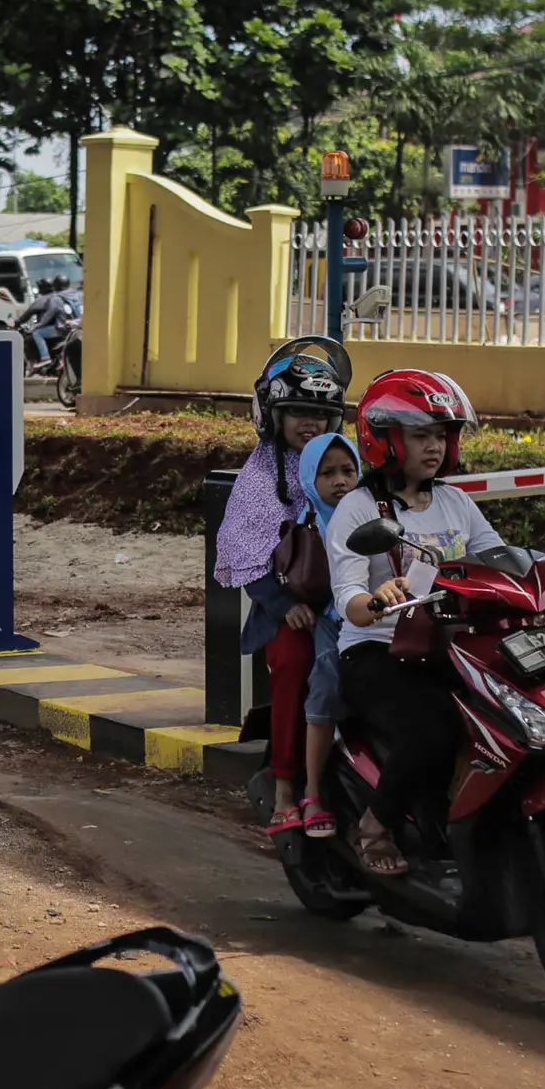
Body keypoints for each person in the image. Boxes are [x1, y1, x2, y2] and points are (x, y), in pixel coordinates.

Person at [324, 369, 496, 876]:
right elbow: (350, 598)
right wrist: (376, 598)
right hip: (377, 650)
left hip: (449, 644)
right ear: (386, 440)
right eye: (421, 435)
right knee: (432, 730)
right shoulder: (358, 509)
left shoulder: (455, 501)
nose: (435, 447)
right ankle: (375, 826)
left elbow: (499, 556)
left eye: (441, 435)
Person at [212, 350, 346, 835]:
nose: (310, 424)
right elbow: (245, 550)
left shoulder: (344, 464)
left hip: (350, 602)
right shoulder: (261, 476)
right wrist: (285, 605)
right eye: (298, 413)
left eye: (319, 413)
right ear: (273, 417)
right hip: (289, 607)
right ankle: (288, 789)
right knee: (293, 666)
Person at [293, 432, 361, 837]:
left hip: (378, 619)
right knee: (326, 687)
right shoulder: (308, 521)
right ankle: (313, 792)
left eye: (349, 471)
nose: (341, 481)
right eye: (328, 473)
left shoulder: (373, 514)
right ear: (309, 480)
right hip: (334, 622)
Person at [15, 276, 78, 366]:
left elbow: (31, 315)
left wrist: (18, 322)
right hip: (68, 328)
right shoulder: (66, 296)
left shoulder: (43, 300)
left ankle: (44, 358)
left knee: (34, 334)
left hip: (57, 329)